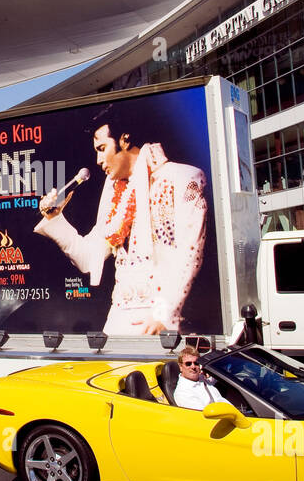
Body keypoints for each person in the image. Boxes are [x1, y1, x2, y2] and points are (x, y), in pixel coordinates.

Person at [35, 110, 207, 334]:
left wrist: (163, 315)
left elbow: (189, 254)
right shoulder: (116, 195)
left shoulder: (182, 178)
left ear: (124, 140)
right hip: (118, 320)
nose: (97, 160)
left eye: (102, 149)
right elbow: (88, 258)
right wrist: (55, 217)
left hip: (160, 322)